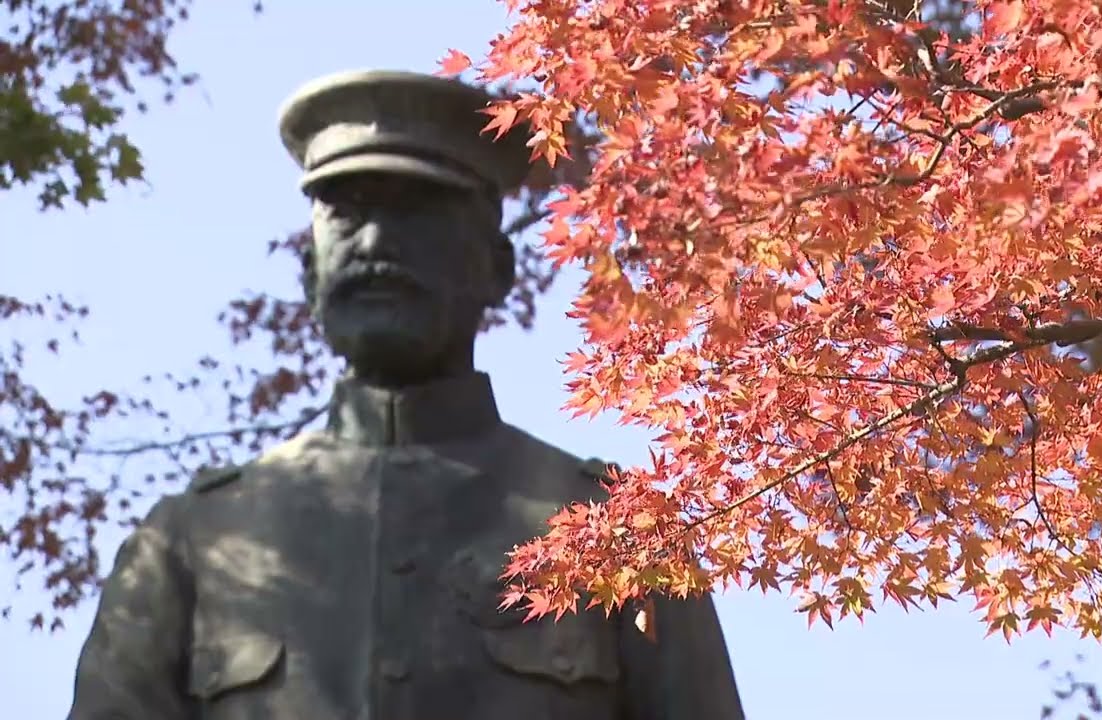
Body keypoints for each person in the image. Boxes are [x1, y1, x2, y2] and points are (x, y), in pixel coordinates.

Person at [66, 69, 745, 720]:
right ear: (308, 273)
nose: (375, 242)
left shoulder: (618, 535)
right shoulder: (191, 541)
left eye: (419, 215)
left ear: (498, 269)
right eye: (346, 214)